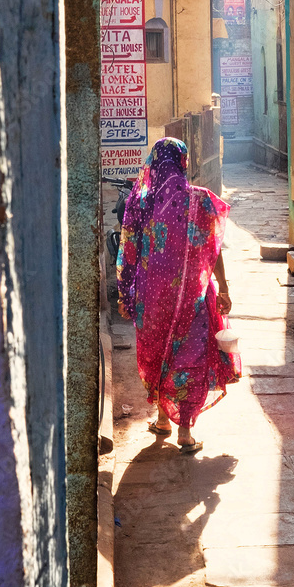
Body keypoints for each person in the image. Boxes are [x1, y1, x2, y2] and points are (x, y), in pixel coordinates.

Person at [116, 138, 240, 453]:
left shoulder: (140, 202)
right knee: (189, 359)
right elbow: (213, 247)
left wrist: (125, 291)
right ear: (183, 162)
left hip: (152, 298)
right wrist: (223, 287)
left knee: (157, 353)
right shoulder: (200, 200)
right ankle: (183, 430)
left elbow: (128, 248)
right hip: (193, 297)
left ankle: (162, 417)